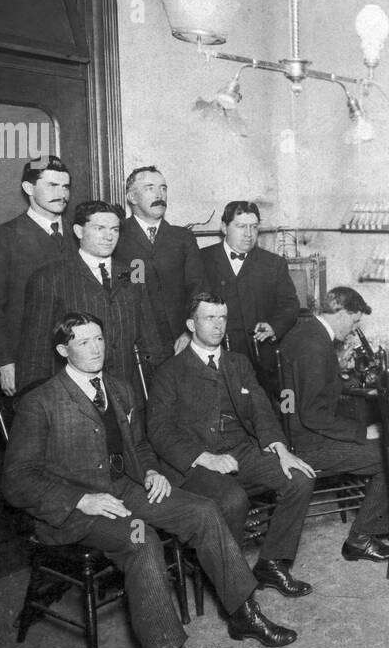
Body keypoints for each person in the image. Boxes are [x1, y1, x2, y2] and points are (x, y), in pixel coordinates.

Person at [4, 312, 295, 648]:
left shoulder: (119, 389)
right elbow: (16, 480)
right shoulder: (42, 402)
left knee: (205, 511)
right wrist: (80, 499)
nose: (96, 348)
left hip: (125, 489)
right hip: (75, 508)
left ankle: (242, 613)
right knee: (142, 540)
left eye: (99, 339)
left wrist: (152, 471)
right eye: (84, 342)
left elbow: (138, 447)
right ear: (62, 350)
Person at [148, 293, 317, 596]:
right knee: (233, 499)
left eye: (222, 318)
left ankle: (272, 564)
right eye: (209, 318)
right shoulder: (169, 372)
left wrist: (281, 449)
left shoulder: (238, 363)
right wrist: (206, 458)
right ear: (191, 323)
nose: (217, 325)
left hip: (240, 450)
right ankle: (237, 588)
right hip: (195, 462)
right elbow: (160, 432)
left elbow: (261, 410)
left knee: (299, 478)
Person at [15, 199, 172, 402]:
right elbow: (35, 352)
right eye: (100, 228)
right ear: (79, 231)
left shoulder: (132, 275)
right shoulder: (49, 278)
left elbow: (151, 342)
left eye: (115, 229)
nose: (109, 236)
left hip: (128, 397)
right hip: (72, 400)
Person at [279, 288, 389, 562]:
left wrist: (341, 376)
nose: (355, 330)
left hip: (294, 431)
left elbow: (311, 390)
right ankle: (361, 538)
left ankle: (368, 531)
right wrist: (361, 432)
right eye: (354, 321)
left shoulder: (305, 333)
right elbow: (313, 415)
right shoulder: (315, 345)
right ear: (341, 313)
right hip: (307, 442)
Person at [0, 155, 73, 397]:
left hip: (76, 356)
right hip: (28, 359)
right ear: (29, 188)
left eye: (65, 186)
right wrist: (5, 363)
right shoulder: (1, 238)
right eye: (52, 185)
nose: (61, 193)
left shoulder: (81, 233)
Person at [200, 200, 300, 396]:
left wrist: (273, 326)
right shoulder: (202, 259)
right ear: (224, 227)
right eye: (241, 226)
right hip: (216, 354)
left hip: (260, 358)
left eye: (254, 227)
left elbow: (290, 304)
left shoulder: (273, 264)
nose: (248, 233)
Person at [115, 166, 204, 353]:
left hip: (181, 339)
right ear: (131, 197)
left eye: (163, 188)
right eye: (150, 188)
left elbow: (198, 288)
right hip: (137, 343)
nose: (159, 195)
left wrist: (190, 332)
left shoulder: (183, 237)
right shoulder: (117, 235)